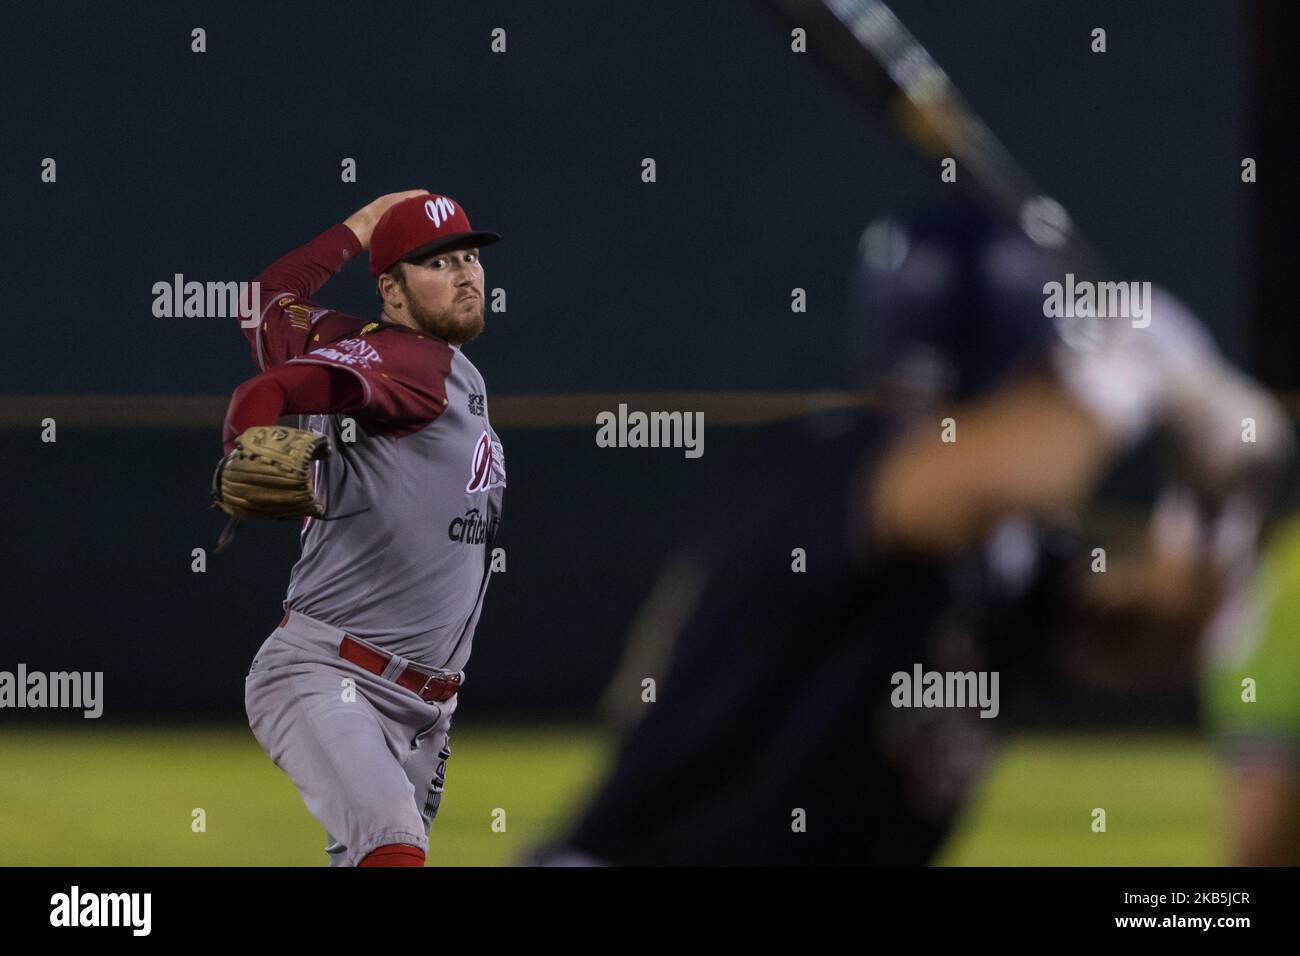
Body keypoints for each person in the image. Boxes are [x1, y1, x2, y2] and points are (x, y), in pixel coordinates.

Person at [536, 203, 1288, 865]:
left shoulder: (1001, 553)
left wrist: (1213, 506)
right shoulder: (833, 463)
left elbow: (1158, 640)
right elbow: (999, 476)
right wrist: (1129, 374)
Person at [221, 190, 506, 866]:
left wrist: (361, 224)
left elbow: (267, 299)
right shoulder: (411, 366)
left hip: (423, 709)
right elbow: (265, 392)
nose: (465, 273)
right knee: (392, 848)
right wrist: (246, 439)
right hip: (331, 674)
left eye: (470, 256)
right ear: (393, 289)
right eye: (437, 263)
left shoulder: (349, 341)